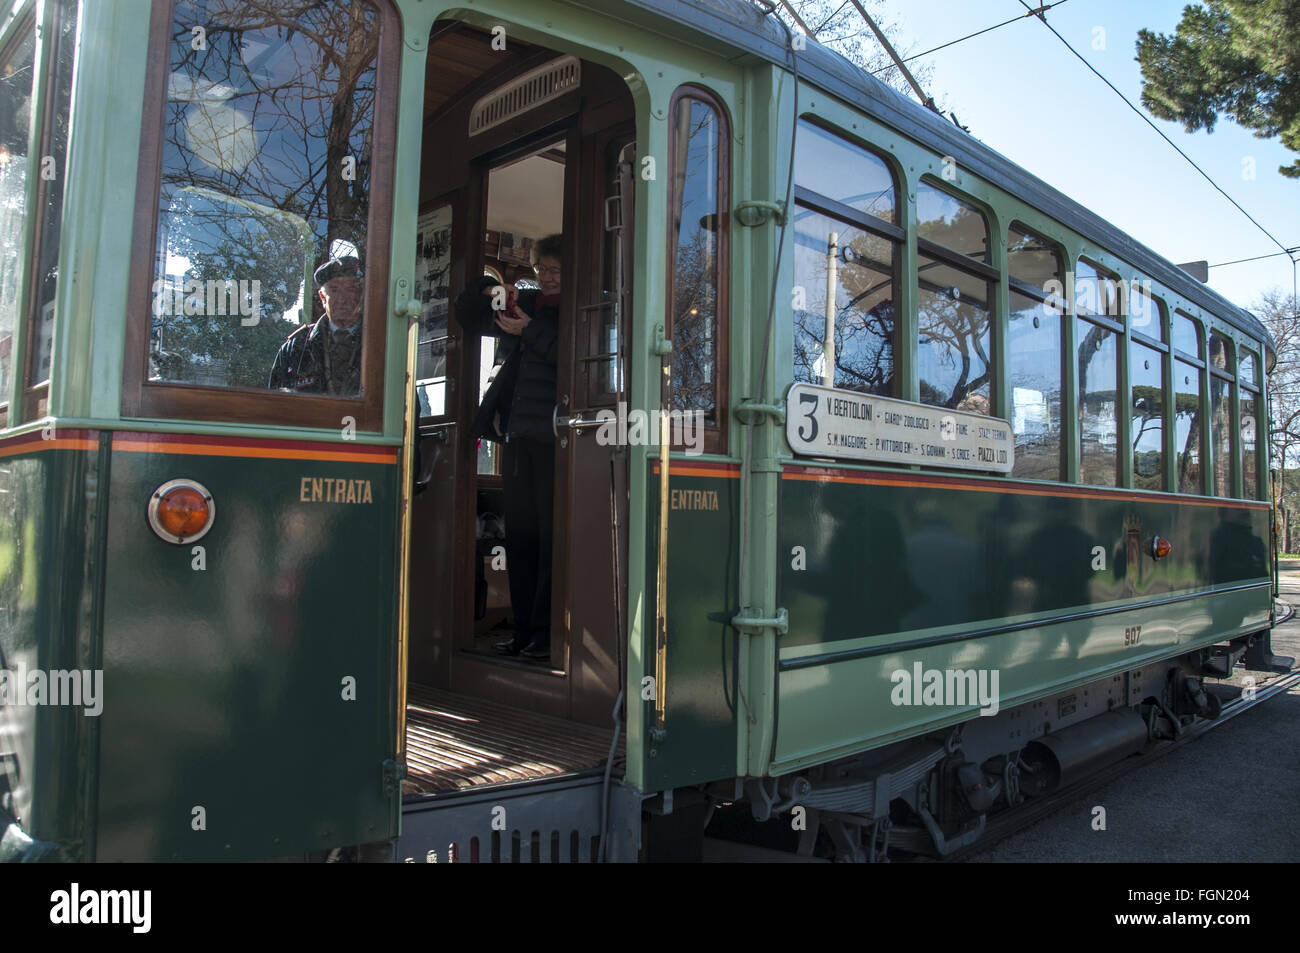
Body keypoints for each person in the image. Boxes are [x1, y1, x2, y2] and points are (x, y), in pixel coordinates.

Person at [455, 234, 562, 660]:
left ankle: (546, 634)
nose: (548, 279)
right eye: (543, 271)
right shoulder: (529, 304)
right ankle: (522, 631)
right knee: (520, 539)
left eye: (556, 271)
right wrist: (491, 288)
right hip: (518, 438)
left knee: (552, 540)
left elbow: (568, 355)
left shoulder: (583, 307)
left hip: (559, 439)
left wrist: (530, 332)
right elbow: (468, 315)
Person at [269, 251, 365, 395]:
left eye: (350, 289)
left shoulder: (381, 342)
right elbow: (273, 404)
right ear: (322, 297)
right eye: (334, 290)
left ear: (361, 293)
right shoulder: (296, 348)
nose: (342, 299)